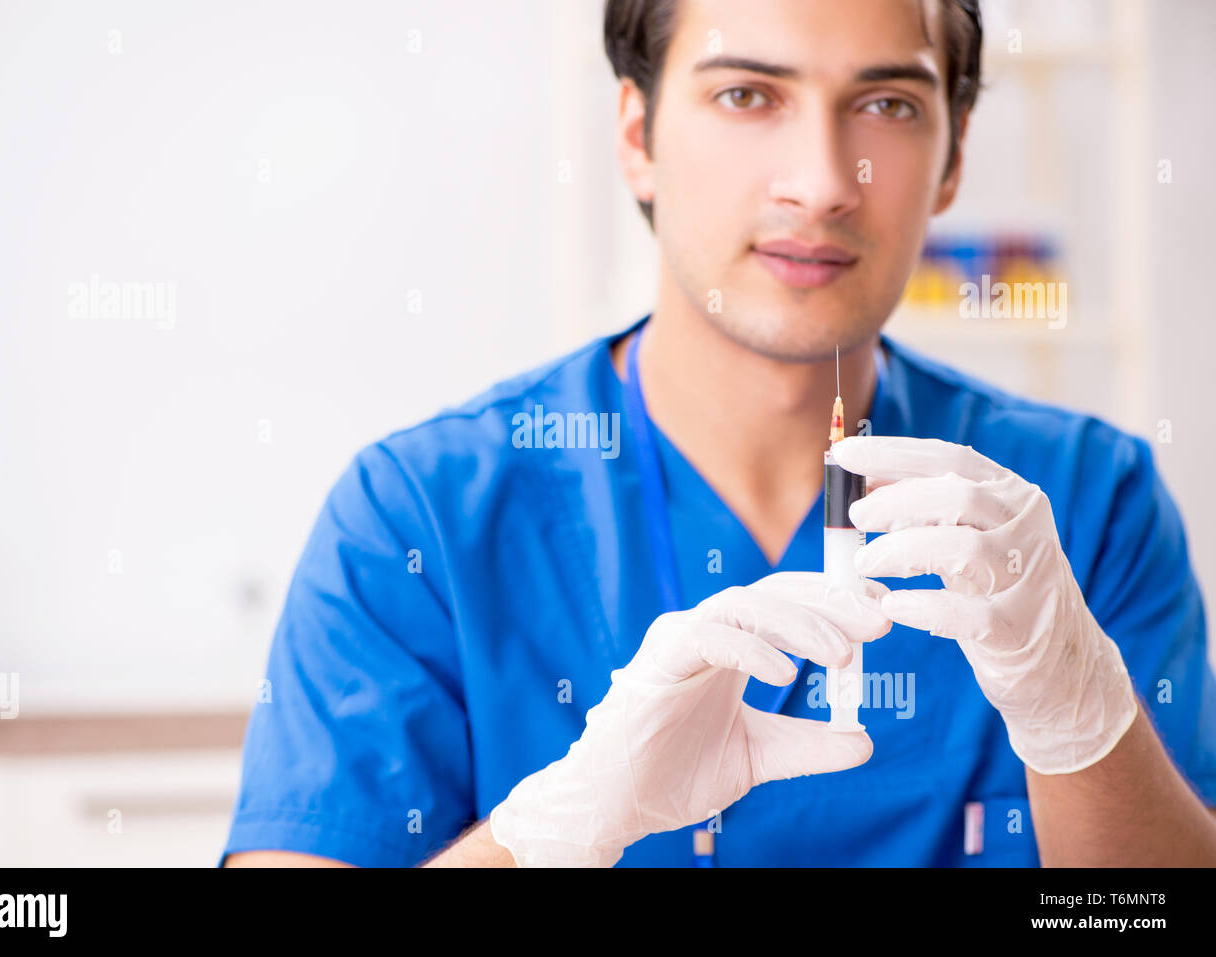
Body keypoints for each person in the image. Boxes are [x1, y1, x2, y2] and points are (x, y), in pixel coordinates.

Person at [221, 0, 1216, 867]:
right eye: (747, 94)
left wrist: (1082, 728)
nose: (822, 180)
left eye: (887, 104)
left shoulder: (1088, 502)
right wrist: (548, 836)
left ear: (953, 155)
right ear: (637, 136)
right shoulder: (419, 518)